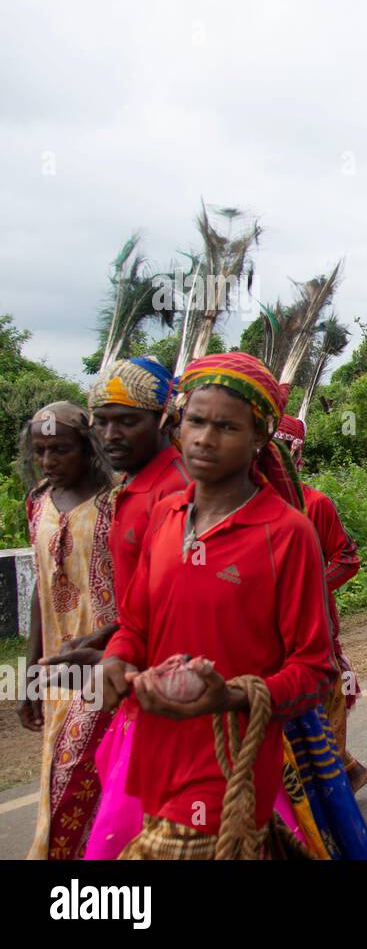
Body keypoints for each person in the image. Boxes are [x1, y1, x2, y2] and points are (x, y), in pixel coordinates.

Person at [96, 352, 338, 859]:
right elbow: (135, 624)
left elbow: (314, 670)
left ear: (259, 439)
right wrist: (118, 659)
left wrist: (227, 698)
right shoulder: (167, 514)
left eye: (226, 426)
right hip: (152, 746)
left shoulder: (286, 533)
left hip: (227, 764)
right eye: (196, 421)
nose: (205, 438)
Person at [79, 356, 190, 860]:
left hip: (173, 692)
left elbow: (188, 603)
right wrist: (110, 636)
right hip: (140, 679)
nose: (110, 434)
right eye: (101, 420)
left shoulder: (178, 491)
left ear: (163, 419)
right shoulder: (137, 486)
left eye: (127, 420)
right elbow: (150, 595)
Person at [18, 402, 117, 859]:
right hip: (59, 672)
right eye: (40, 451)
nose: (49, 461)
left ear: (88, 448)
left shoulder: (116, 502)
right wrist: (32, 675)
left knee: (73, 782)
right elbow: (42, 588)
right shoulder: (38, 501)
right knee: (72, 782)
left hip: (107, 667)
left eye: (60, 449)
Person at [274, 414, 367, 792]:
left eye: (282, 449)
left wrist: (309, 589)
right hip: (261, 632)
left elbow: (346, 558)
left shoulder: (315, 505)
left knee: (323, 696)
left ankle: (332, 784)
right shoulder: (238, 506)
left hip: (314, 627)